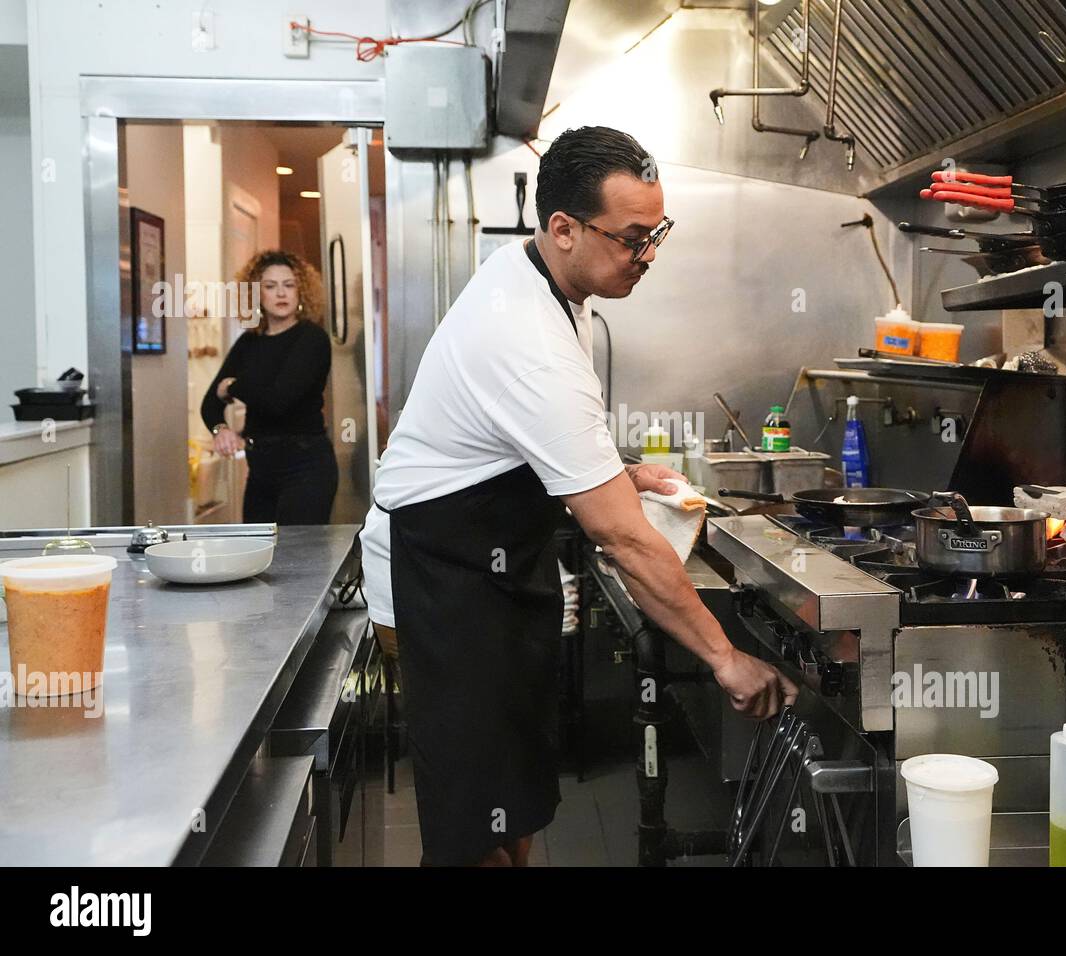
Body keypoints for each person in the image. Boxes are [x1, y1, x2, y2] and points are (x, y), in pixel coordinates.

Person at [361, 125, 797, 868]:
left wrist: (622, 469)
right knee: (474, 830)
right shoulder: (523, 332)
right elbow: (622, 539)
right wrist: (725, 659)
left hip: (493, 567)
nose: (648, 254)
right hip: (440, 580)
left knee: (516, 799)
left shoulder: (558, 285)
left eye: (657, 232)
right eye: (632, 238)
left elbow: (528, 439)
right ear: (563, 228)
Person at [201, 250, 338, 525]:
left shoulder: (311, 338)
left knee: (295, 561)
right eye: (270, 286)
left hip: (305, 469)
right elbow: (210, 402)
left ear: (301, 291)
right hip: (260, 472)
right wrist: (220, 429)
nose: (281, 294)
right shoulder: (249, 343)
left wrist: (233, 386)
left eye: (289, 285)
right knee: (259, 558)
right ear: (256, 295)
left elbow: (278, 401)